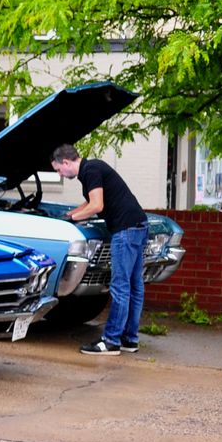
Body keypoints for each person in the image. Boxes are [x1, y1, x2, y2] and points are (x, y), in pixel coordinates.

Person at [51, 144, 147, 356]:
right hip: (139, 225)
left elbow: (96, 206)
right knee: (134, 286)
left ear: (66, 162)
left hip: (126, 230)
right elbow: (88, 202)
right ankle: (129, 340)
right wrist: (68, 216)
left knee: (120, 286)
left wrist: (72, 220)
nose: (60, 173)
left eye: (58, 170)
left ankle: (111, 341)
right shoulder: (92, 169)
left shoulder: (90, 170)